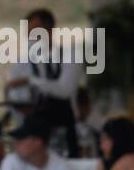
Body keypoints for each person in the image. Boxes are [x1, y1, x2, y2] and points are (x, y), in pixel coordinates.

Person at [4, 8, 80, 156]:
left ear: (51, 31)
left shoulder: (70, 56)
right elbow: (16, 100)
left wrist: (31, 80)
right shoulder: (21, 65)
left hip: (64, 132)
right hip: (34, 136)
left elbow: (65, 90)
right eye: (29, 34)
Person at [0, 115, 82, 170]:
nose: (16, 143)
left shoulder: (62, 168)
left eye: (21, 139)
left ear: (38, 142)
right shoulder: (11, 162)